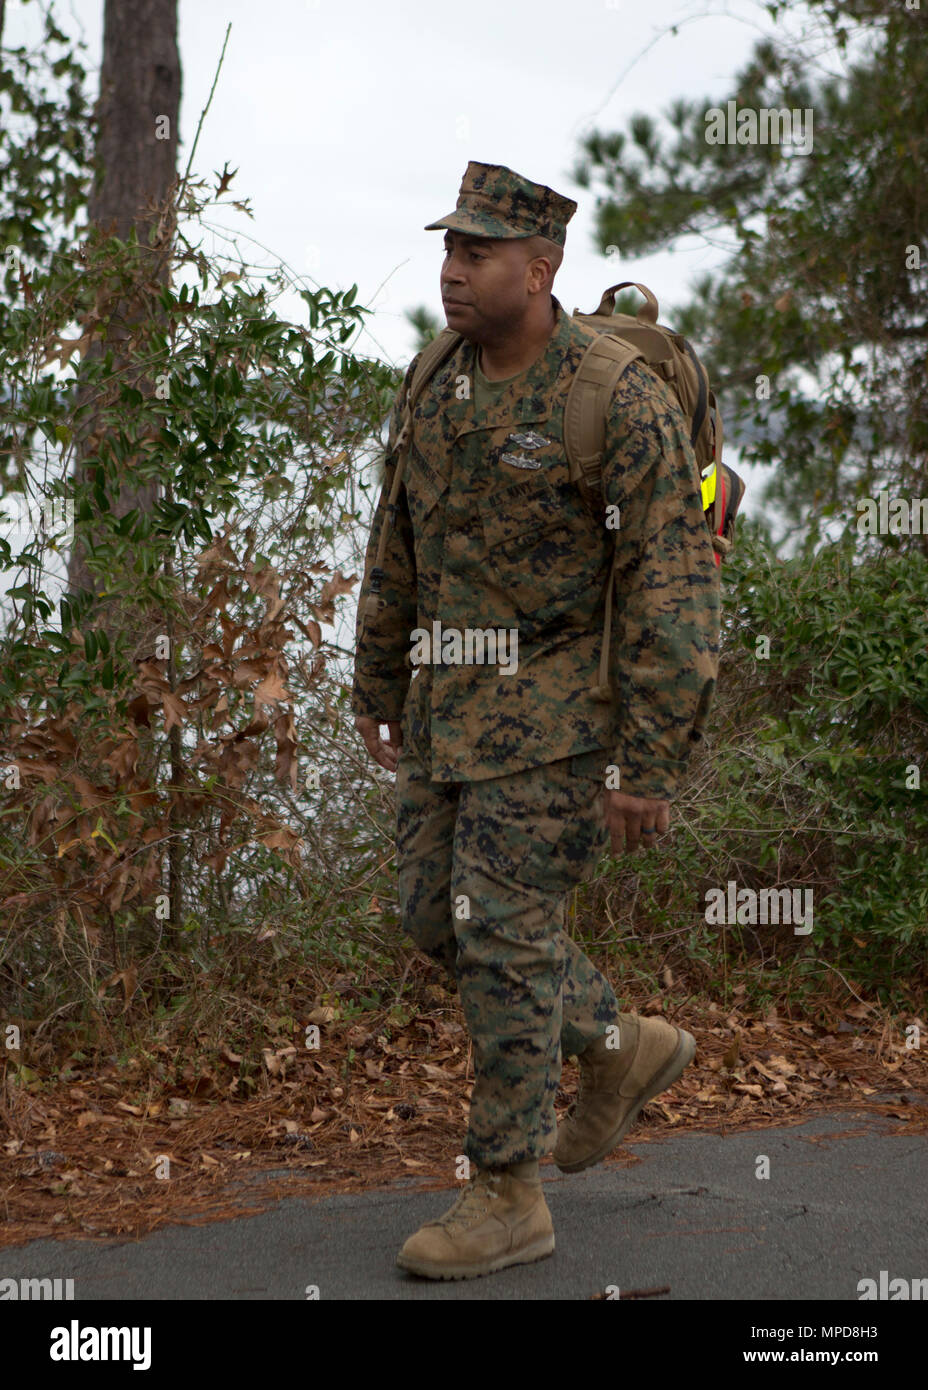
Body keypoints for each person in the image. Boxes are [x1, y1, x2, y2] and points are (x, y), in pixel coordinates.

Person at [352, 160, 721, 1281]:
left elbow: (671, 587)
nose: (453, 271)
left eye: (477, 254)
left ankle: (505, 1190)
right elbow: (397, 538)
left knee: (504, 936)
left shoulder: (613, 396)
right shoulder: (435, 376)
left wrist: (647, 762)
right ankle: (621, 1042)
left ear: (541, 266)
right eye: (449, 250)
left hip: (565, 712)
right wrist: (376, 682)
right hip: (449, 707)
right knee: (432, 916)